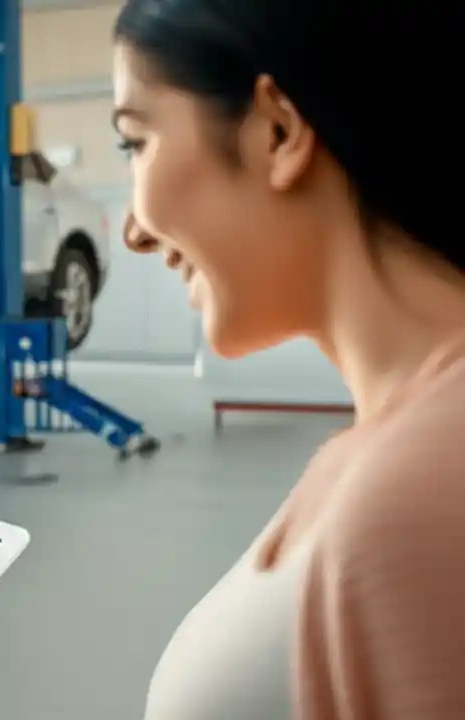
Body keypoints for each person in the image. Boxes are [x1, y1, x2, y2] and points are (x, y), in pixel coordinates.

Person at [111, 0, 465, 718]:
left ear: (276, 132)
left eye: (135, 143)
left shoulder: (424, 488)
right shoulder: (408, 442)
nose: (132, 234)